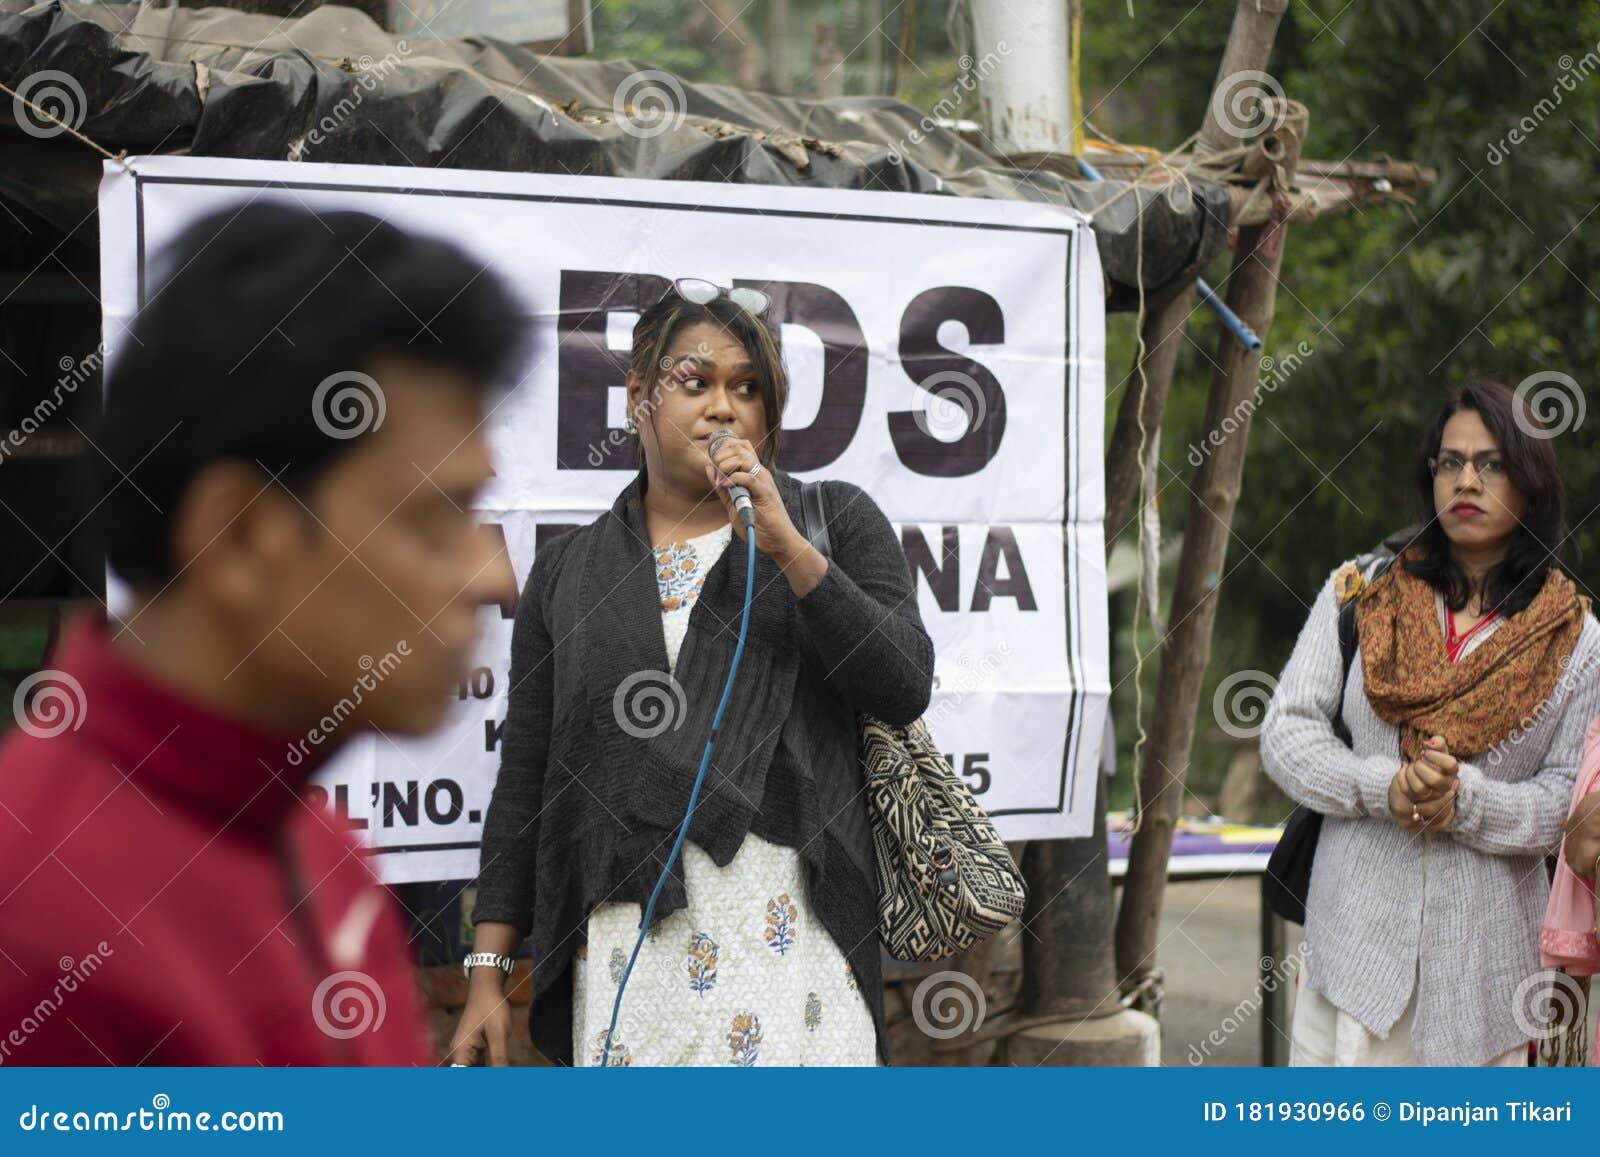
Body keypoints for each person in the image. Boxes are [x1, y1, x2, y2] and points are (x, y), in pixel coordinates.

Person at [0, 202, 522, 1064]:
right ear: (240, 534)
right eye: (437, 518)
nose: (493, 577)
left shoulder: (319, 846)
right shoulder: (36, 922)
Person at [450, 278, 934, 1067]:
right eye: (695, 381)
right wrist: (485, 974)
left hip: (798, 960)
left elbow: (903, 681)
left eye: (748, 388)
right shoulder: (570, 572)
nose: (722, 408)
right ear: (637, 397)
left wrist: (787, 548)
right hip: (631, 963)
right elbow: (527, 781)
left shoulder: (835, 522)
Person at [1261, 378, 1600, 1066]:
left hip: (1487, 981)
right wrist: (1383, 787)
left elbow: (1565, 804)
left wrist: (1463, 802)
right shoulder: (1362, 592)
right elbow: (1287, 732)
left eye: (1492, 463)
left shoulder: (1575, 637)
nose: (1466, 480)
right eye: (1451, 462)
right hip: (1352, 958)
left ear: (1531, 483)